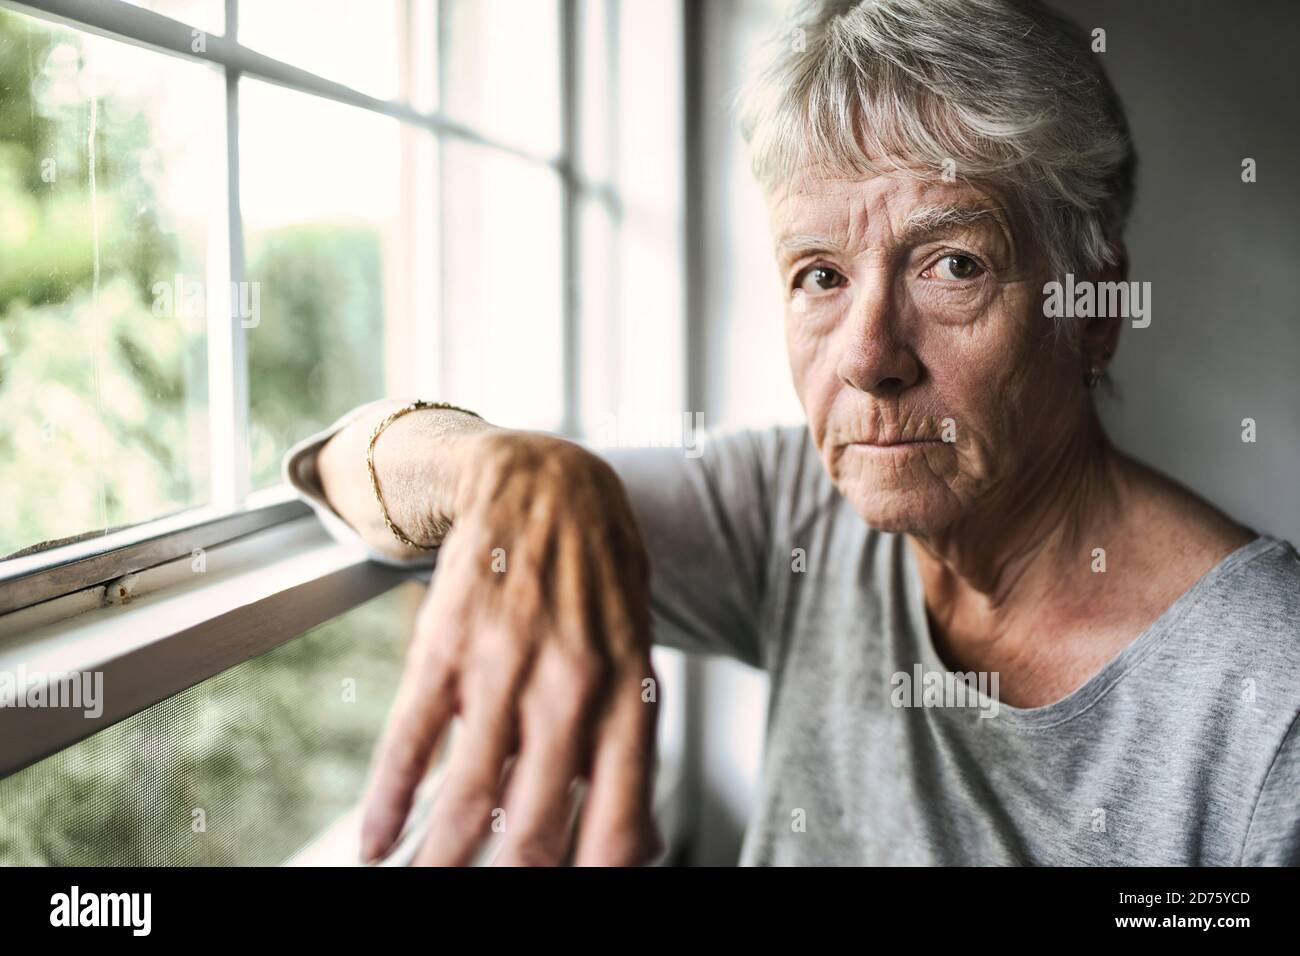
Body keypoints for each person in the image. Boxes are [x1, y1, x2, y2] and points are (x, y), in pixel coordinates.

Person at [284, 0, 1300, 865]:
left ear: (1093, 306)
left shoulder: (1270, 697)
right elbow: (342, 466)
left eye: (951, 263)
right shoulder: (797, 508)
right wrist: (507, 467)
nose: (867, 355)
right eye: (818, 274)